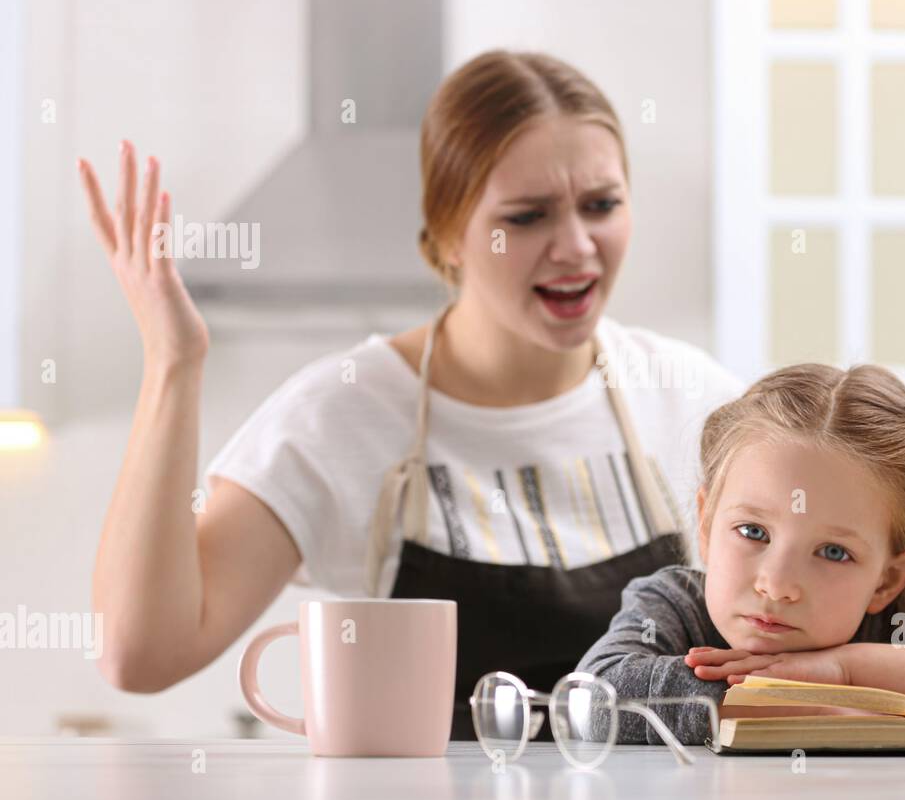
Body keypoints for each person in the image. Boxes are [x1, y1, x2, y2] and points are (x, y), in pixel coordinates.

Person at [78, 49, 745, 740]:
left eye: (601, 205)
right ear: (449, 234)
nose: (576, 246)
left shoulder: (691, 399)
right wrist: (171, 363)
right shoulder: (341, 416)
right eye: (526, 217)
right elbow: (141, 653)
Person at [576, 362, 905, 745]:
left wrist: (845, 672)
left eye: (832, 551)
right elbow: (589, 702)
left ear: (888, 580)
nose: (777, 584)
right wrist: (806, 704)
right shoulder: (673, 603)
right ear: (708, 525)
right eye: (753, 532)